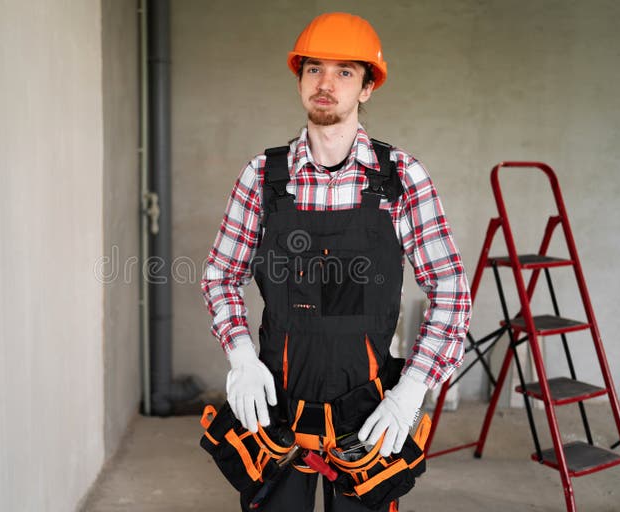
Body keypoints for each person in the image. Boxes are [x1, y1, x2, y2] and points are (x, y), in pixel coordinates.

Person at [200, 12, 471, 512]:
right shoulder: (262, 177)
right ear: (300, 79)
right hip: (276, 414)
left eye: (345, 71)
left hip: (367, 417)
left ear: (368, 87)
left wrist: (411, 390)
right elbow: (220, 275)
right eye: (314, 69)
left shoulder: (401, 179)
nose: (326, 84)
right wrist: (240, 355)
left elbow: (452, 291)